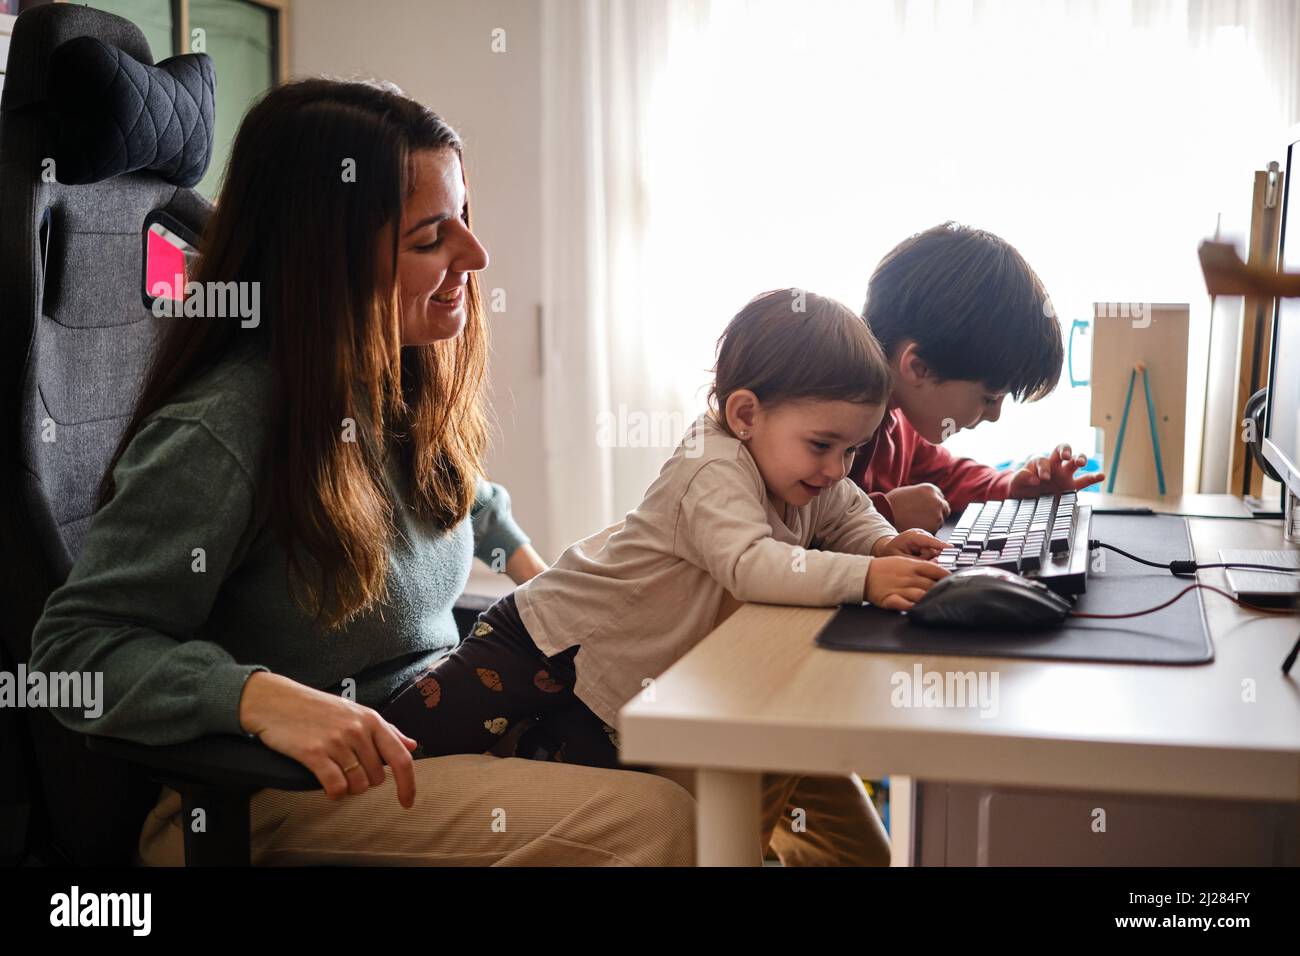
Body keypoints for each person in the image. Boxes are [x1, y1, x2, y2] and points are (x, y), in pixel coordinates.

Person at [29, 77, 695, 867]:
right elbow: (74, 650)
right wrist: (254, 697)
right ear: (327, 263)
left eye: (465, 219)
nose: (475, 257)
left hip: (427, 732)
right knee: (656, 820)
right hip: (275, 794)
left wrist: (542, 584)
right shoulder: (224, 432)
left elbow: (463, 500)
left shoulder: (390, 384)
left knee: (705, 756)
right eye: (430, 239)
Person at [381, 289, 949, 864]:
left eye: (851, 450)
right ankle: (351, 773)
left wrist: (882, 541)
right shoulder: (712, 467)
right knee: (415, 740)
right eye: (823, 446)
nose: (836, 468)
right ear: (745, 416)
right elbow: (751, 565)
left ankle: (515, 756)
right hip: (545, 637)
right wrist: (866, 576)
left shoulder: (806, 475)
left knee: (572, 773)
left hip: (615, 680)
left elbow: (849, 511)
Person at [850, 223, 1105, 532]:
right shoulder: (833, 418)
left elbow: (947, 475)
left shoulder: (900, 421)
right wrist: (884, 514)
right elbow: (807, 522)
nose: (994, 416)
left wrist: (1012, 485)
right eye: (989, 398)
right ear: (918, 368)